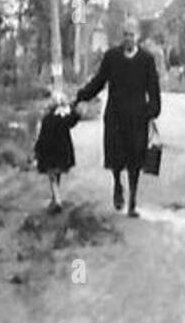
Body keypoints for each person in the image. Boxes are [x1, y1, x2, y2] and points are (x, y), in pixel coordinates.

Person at [74, 17, 161, 217]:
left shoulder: (146, 60)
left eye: (131, 35)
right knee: (115, 155)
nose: (128, 39)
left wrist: (152, 110)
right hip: (115, 115)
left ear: (137, 36)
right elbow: (99, 81)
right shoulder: (111, 57)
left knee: (135, 159)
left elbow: (153, 89)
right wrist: (82, 96)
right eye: (125, 35)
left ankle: (132, 201)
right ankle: (117, 185)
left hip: (137, 117)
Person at [33, 91, 79, 213]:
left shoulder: (47, 119)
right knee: (56, 175)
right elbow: (74, 119)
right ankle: (56, 198)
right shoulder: (63, 119)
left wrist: (37, 151)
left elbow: (42, 138)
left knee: (52, 176)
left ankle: (57, 200)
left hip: (49, 153)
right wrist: (73, 109)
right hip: (62, 153)